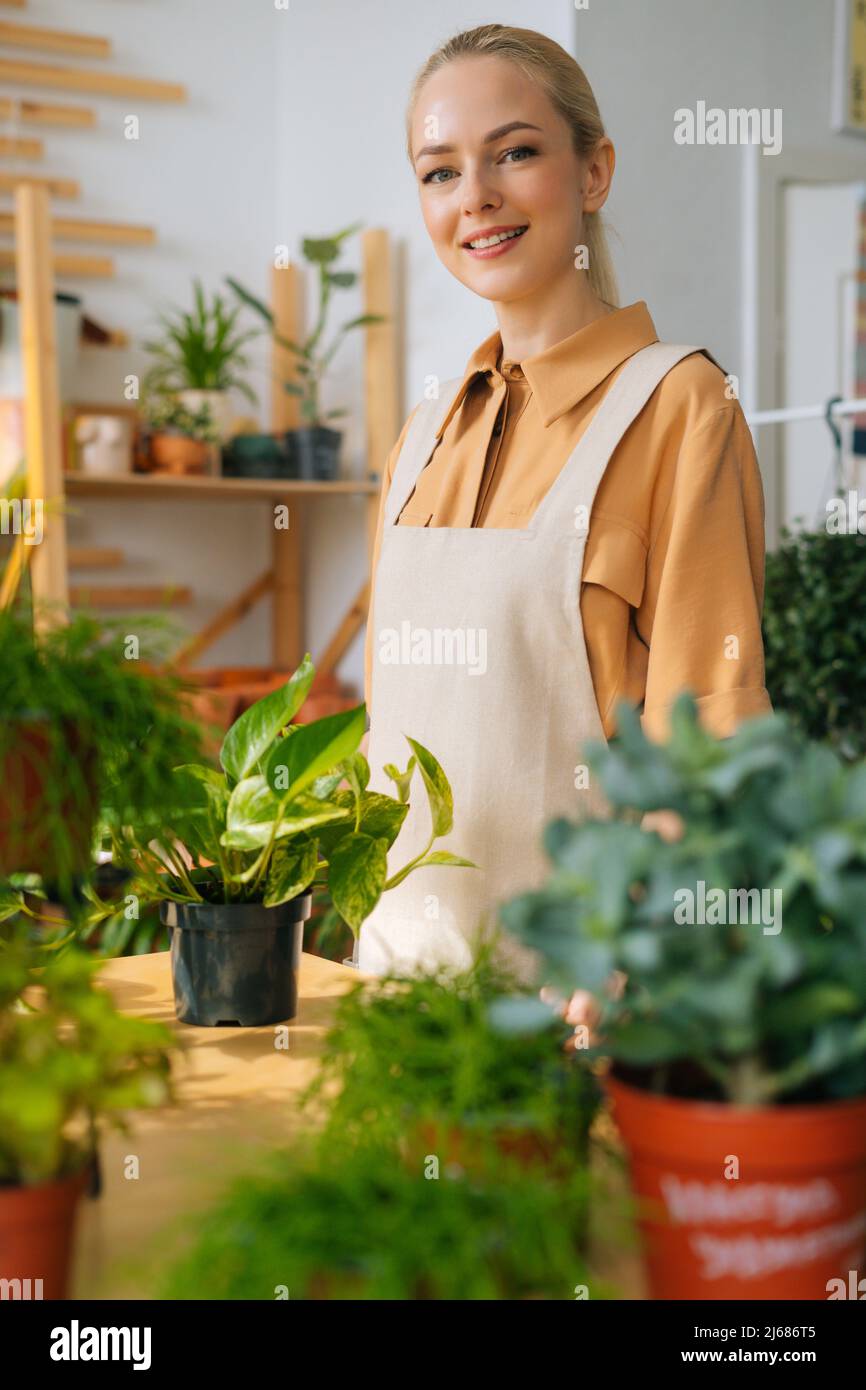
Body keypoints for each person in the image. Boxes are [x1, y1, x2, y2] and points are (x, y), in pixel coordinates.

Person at [359, 23, 772, 981]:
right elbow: (388, 737)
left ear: (593, 173)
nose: (477, 198)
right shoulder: (419, 441)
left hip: (574, 998)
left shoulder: (681, 409)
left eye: (515, 152)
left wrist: (654, 970)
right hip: (393, 987)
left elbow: (708, 734)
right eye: (439, 171)